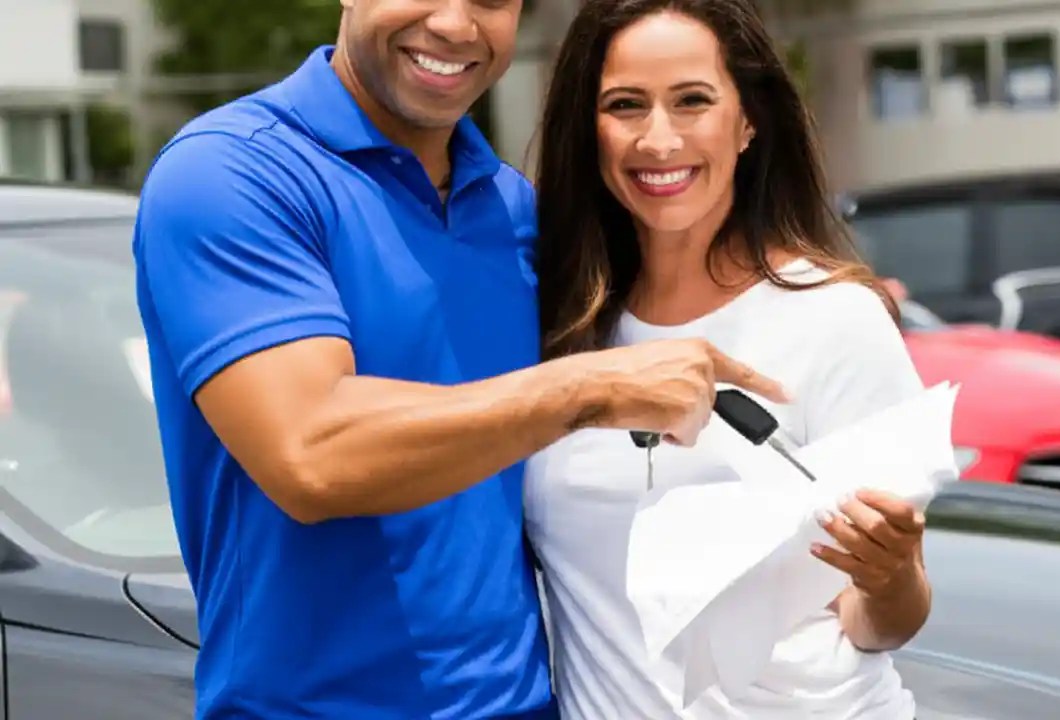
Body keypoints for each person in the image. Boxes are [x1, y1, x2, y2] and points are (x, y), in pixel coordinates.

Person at [131, 1, 785, 718]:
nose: (453, 23)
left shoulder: (516, 209)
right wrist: (586, 389)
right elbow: (309, 453)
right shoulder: (231, 173)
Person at [526, 1, 932, 718]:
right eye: (625, 105)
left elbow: (880, 624)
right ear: (588, 130)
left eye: (692, 101)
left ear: (747, 122)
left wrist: (890, 576)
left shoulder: (834, 318)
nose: (659, 138)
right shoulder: (556, 328)